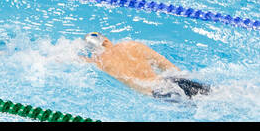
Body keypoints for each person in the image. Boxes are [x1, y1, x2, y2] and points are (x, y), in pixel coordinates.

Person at [83, 31, 211, 100]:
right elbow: (171, 68)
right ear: (106, 40)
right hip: (171, 81)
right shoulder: (133, 45)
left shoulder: (98, 62)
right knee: (214, 94)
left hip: (157, 92)